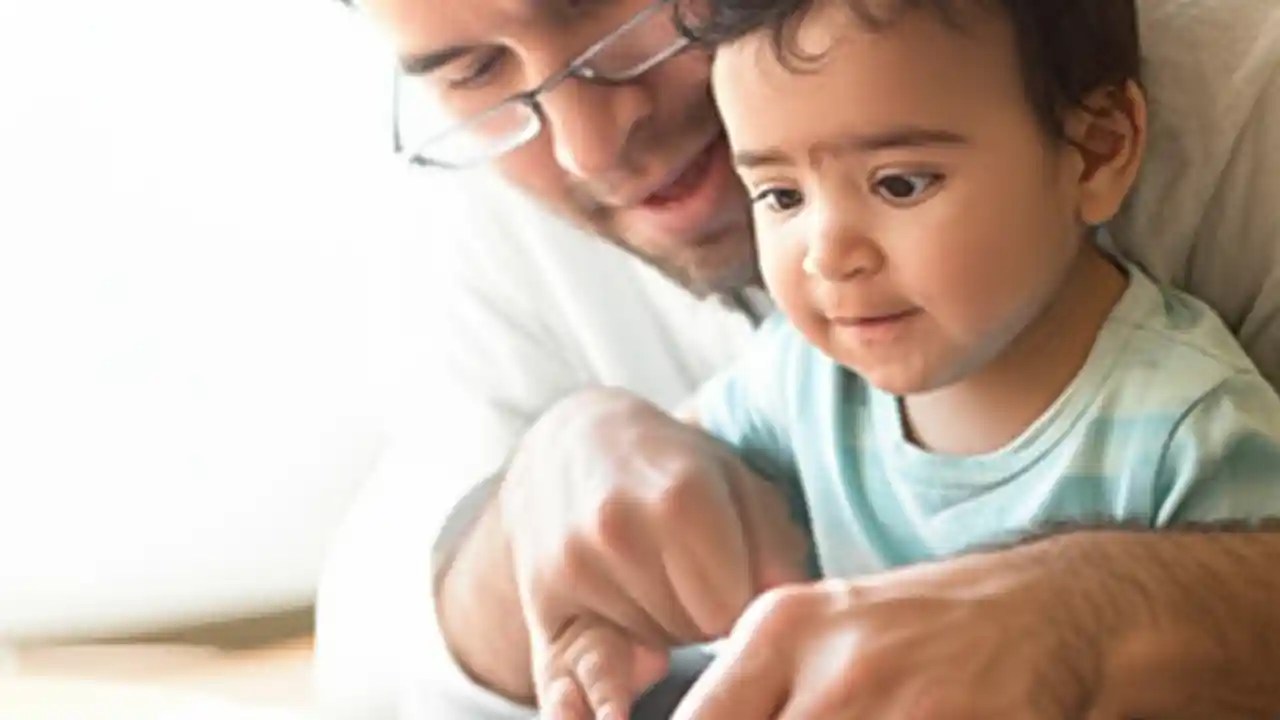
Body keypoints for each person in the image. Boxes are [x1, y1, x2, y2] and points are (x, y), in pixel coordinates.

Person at [313, 0, 1280, 718]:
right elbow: (369, 653)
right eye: (475, 70)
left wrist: (1103, 630)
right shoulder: (491, 200)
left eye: (609, 10)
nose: (587, 142)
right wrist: (532, 539)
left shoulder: (1188, 386)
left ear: (1099, 146)